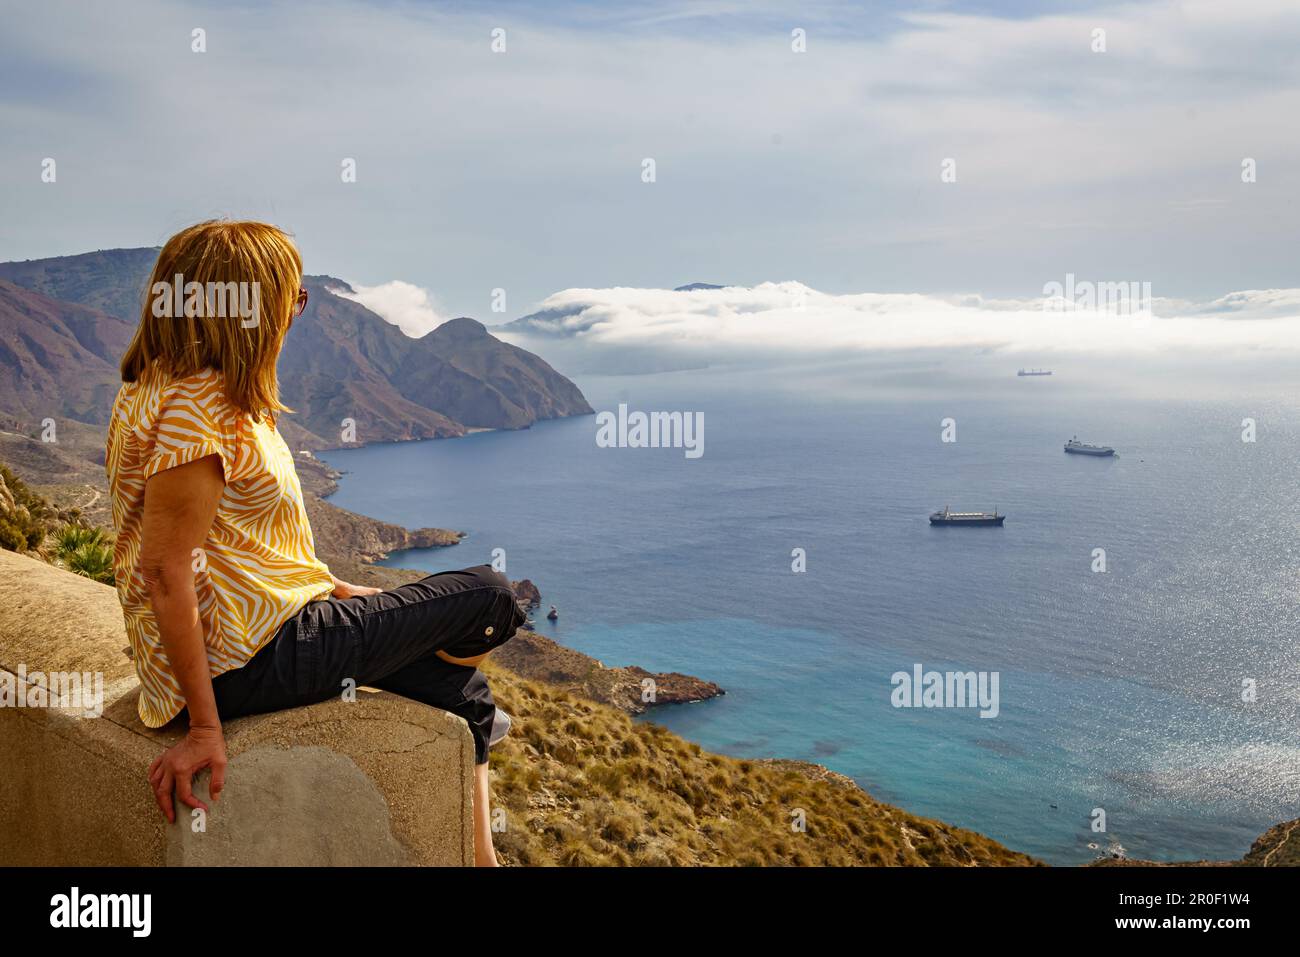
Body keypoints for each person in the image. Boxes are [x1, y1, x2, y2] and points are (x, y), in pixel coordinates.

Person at [106, 220, 523, 866]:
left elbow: (243, 542)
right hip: (250, 659)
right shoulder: (203, 403)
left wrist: (332, 591)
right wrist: (207, 727)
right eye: (290, 298)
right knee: (492, 597)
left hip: (272, 630)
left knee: (461, 692)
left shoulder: (161, 384)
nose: (293, 314)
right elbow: (165, 570)